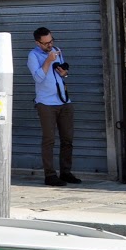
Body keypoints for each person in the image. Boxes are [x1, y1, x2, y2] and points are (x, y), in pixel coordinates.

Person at [28, 27, 79, 186]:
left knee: (67, 139)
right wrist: (48, 61)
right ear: (38, 42)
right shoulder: (33, 55)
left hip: (64, 101)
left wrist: (65, 73)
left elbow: (61, 73)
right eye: (45, 43)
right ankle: (50, 175)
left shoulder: (56, 50)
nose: (50, 45)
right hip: (46, 103)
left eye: (51, 41)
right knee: (49, 140)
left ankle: (66, 172)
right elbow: (38, 78)